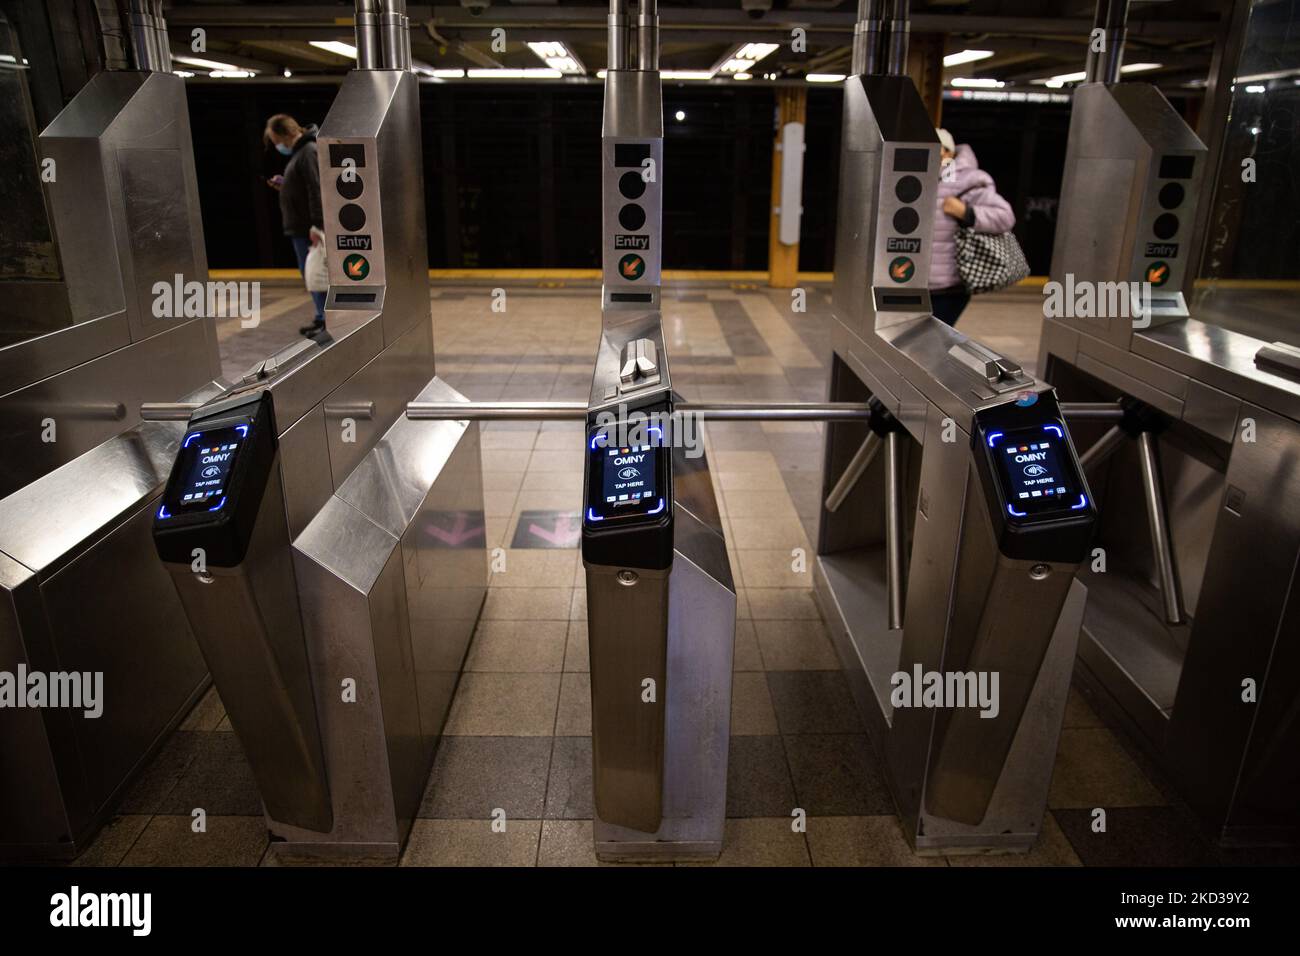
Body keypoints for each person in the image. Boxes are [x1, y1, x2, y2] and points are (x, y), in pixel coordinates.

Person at [930, 128, 1015, 327]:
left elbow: (1005, 216)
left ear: (948, 152)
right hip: (909, 281)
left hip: (948, 288)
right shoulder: (913, 176)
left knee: (930, 343)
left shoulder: (969, 179)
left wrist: (966, 212)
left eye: (935, 149)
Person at [264, 114, 326, 338]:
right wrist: (286, 184)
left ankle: (326, 319)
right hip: (301, 226)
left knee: (316, 273)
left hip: (307, 228)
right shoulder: (302, 152)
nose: (276, 145)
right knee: (311, 273)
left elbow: (315, 188)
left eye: (275, 140)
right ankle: (321, 317)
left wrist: (317, 225)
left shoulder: (307, 150)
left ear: (286, 134)